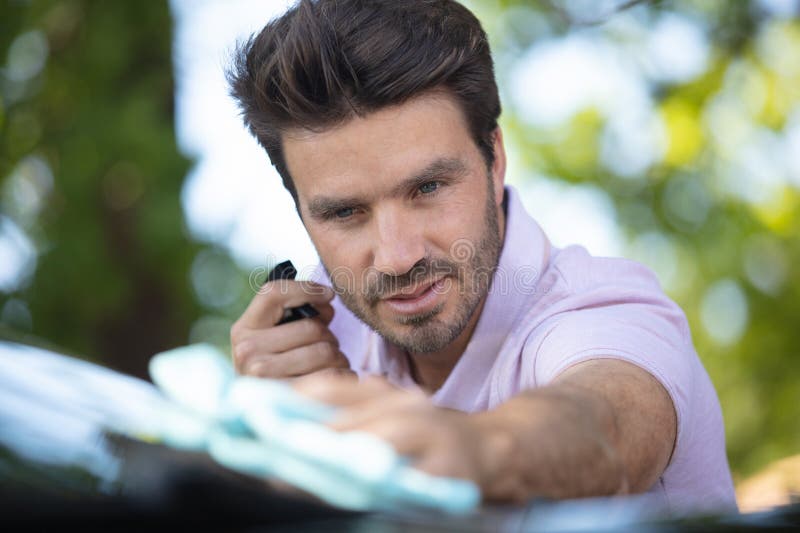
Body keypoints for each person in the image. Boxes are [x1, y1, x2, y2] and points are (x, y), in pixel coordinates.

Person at [226, 0, 736, 513]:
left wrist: (477, 449)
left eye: (428, 187)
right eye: (344, 213)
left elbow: (606, 431)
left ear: (495, 162)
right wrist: (268, 437)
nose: (397, 258)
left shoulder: (605, 312)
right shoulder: (317, 340)